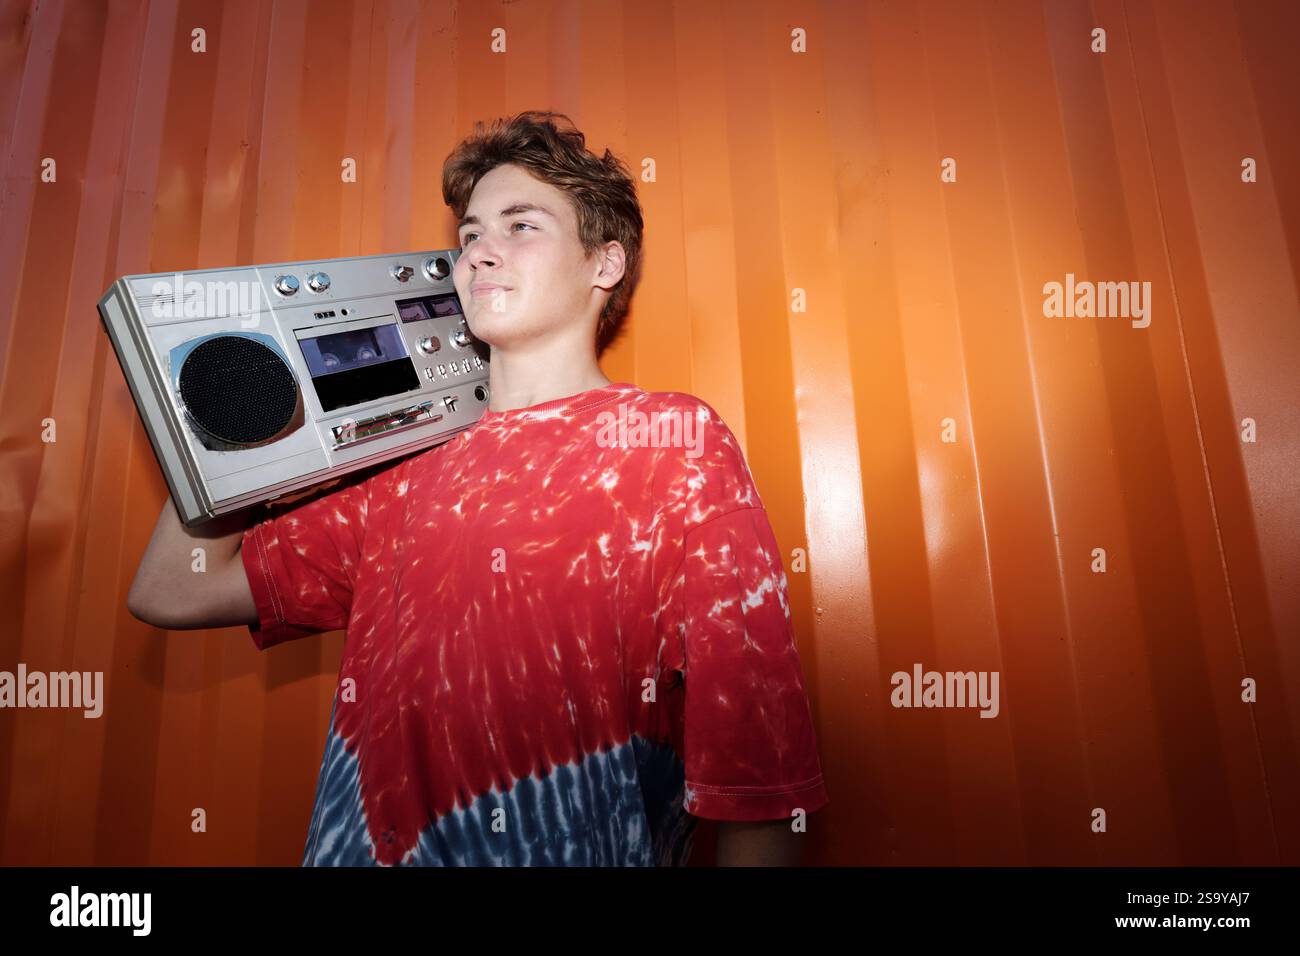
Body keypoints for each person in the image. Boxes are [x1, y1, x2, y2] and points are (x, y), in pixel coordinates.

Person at [128, 111, 829, 866]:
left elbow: (759, 768)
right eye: (467, 236)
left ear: (605, 264)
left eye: (520, 226)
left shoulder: (670, 441)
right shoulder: (401, 473)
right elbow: (171, 591)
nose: (478, 254)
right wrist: (246, 426)